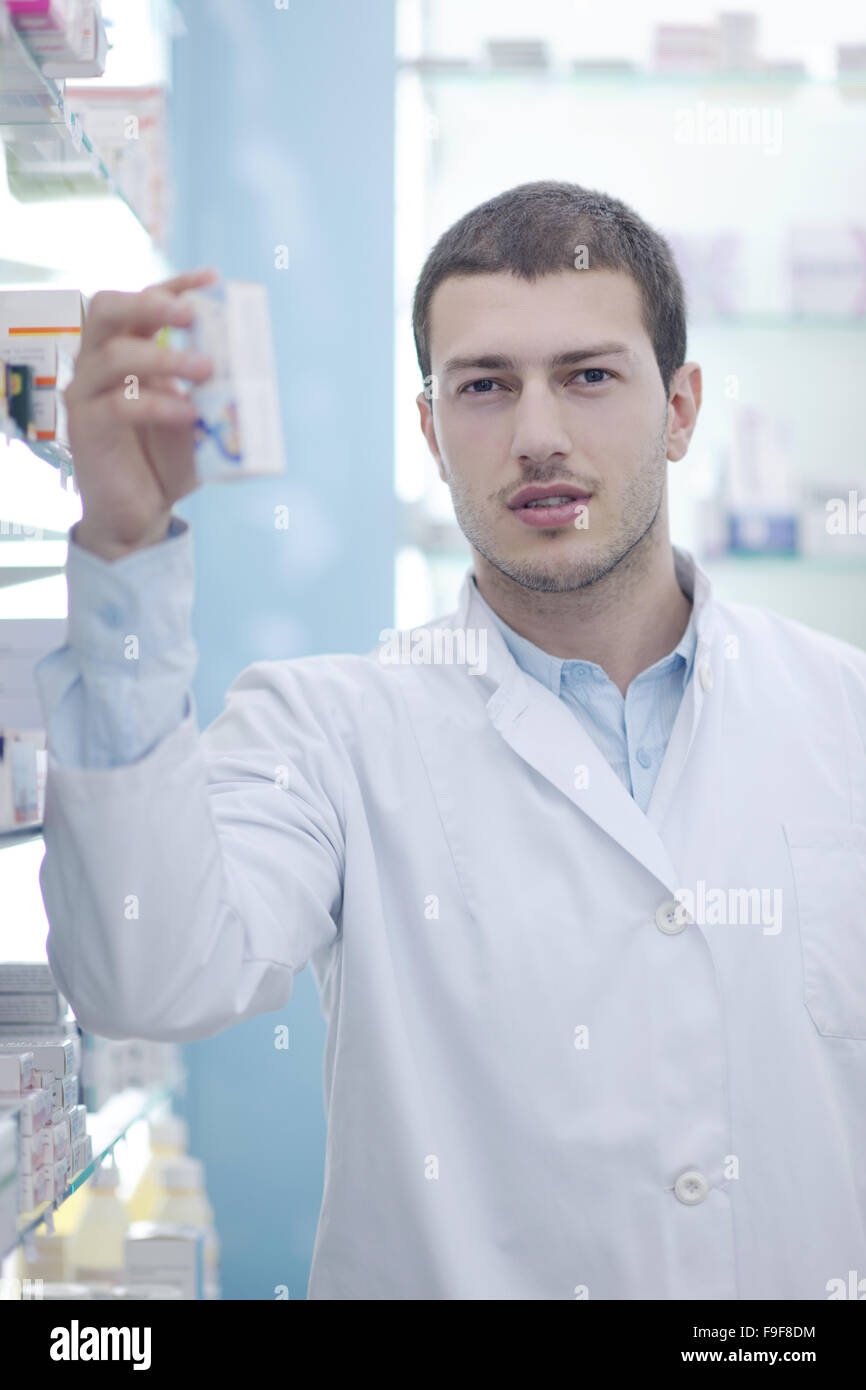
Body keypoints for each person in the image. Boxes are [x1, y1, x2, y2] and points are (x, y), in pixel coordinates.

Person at [35, 181, 866, 1301]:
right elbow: (144, 975)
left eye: (586, 376)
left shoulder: (839, 713)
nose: (536, 436)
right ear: (428, 428)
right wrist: (124, 553)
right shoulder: (328, 730)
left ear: (678, 408)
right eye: (483, 386)